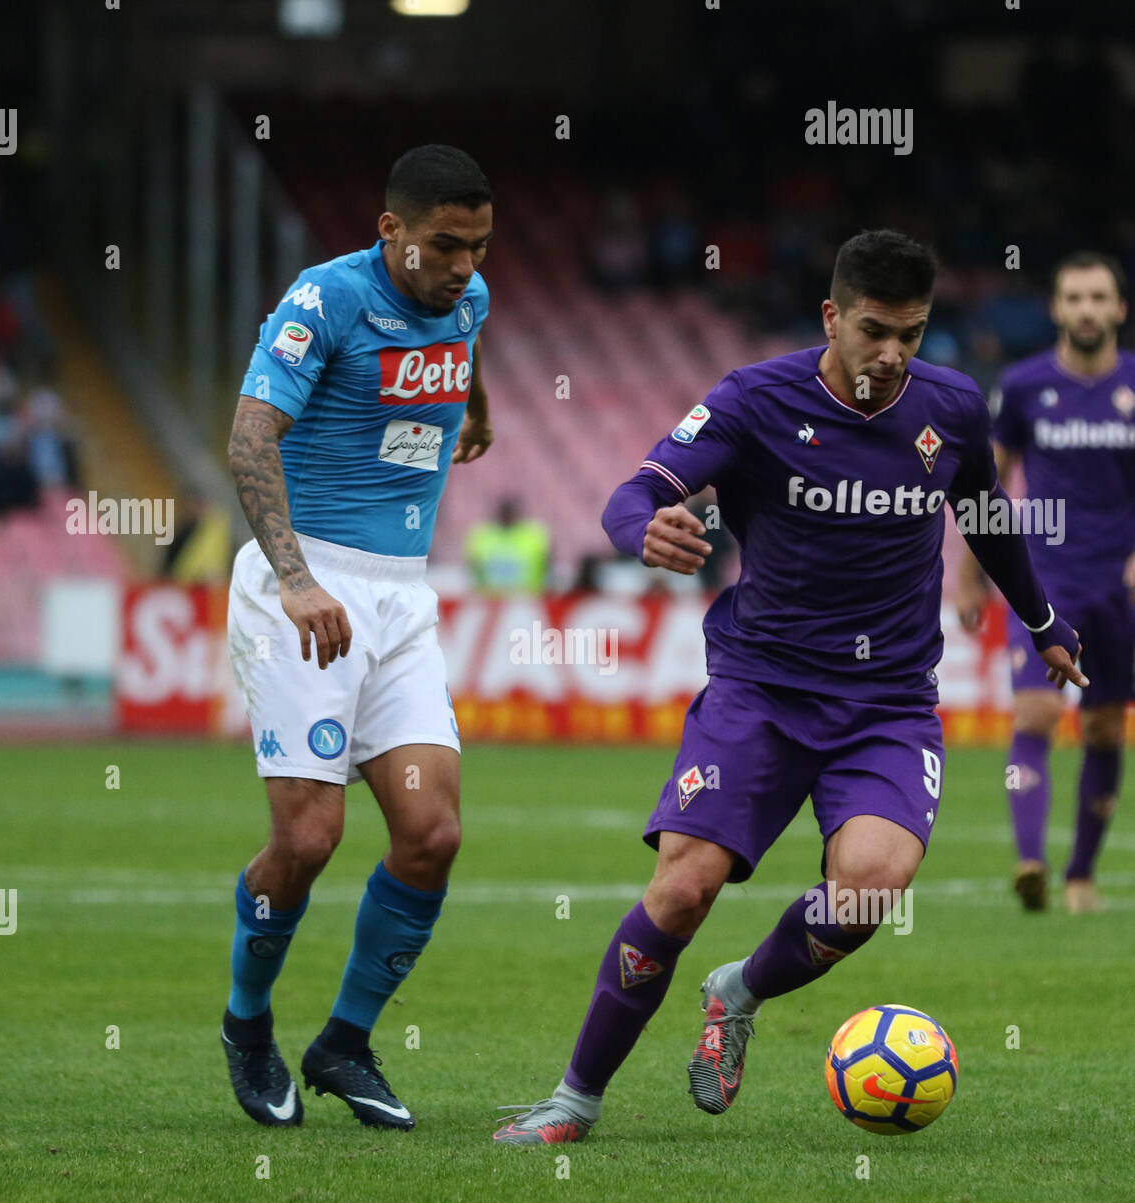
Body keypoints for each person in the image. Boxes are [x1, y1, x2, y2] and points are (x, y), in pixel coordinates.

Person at [494, 229, 1084, 1145]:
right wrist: (642, 532)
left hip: (887, 701)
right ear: (831, 318)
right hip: (761, 688)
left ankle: (739, 991)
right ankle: (575, 1099)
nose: (892, 356)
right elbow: (635, 490)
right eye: (874, 331)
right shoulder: (754, 400)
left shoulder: (955, 408)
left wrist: (1042, 626)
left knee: (870, 888)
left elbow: (988, 517)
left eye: (913, 335)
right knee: (684, 889)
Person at [223, 145, 494, 1130]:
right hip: (305, 586)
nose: (462, 266)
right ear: (391, 232)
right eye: (443, 245)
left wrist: (478, 414)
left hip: (400, 597)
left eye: (476, 246)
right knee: (308, 837)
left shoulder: (467, 297)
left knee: (431, 834)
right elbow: (249, 438)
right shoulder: (322, 300)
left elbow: (464, 352)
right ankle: (247, 1026)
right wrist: (295, 580)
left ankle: (341, 1041)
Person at [957, 252, 1135, 913]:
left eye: (1098, 298)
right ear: (1057, 309)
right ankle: (1030, 861)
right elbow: (987, 481)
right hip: (1045, 576)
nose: (1086, 309)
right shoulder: (1026, 385)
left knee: (1105, 730)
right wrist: (971, 574)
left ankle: (1082, 874)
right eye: (1074, 298)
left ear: (1118, 309)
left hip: (1119, 584)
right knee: (1034, 713)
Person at [464, 497, 551, 593]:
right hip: (491, 602)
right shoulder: (481, 536)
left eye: (510, 513)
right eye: (506, 513)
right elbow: (473, 568)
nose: (508, 516)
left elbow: (547, 566)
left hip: (527, 601)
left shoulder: (535, 535)